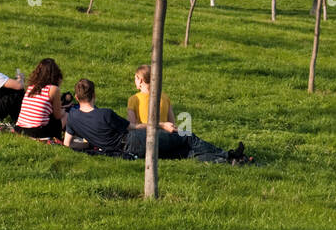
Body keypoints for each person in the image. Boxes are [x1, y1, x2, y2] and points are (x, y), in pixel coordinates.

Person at [64, 79, 247, 164]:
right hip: (134, 141)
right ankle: (229, 154)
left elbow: (68, 144)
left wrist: (90, 143)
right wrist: (161, 125)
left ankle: (228, 161)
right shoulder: (105, 114)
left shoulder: (72, 116)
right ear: (94, 94)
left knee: (183, 152)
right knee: (186, 136)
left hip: (121, 151)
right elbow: (134, 126)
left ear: (77, 98)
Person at [13, 58, 68, 140]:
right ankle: (61, 138)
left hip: (20, 129)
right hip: (37, 132)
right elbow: (57, 116)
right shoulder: (53, 89)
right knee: (66, 114)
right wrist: (64, 111)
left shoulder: (31, 87)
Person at [127, 64, 177, 131]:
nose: (135, 81)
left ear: (140, 80)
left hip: (143, 137)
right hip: (164, 137)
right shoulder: (165, 97)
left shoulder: (134, 99)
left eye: (135, 78)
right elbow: (172, 124)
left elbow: (131, 126)